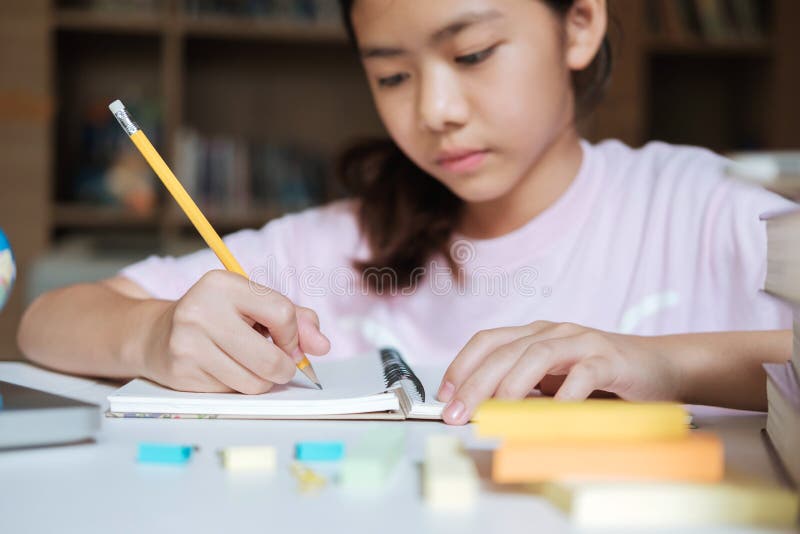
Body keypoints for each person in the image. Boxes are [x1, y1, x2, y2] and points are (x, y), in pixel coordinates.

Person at [18, 0, 795, 425]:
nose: (436, 110)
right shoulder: (343, 243)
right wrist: (152, 335)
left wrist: (669, 363)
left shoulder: (690, 208)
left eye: (473, 54)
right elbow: (45, 320)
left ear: (580, 23)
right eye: (392, 76)